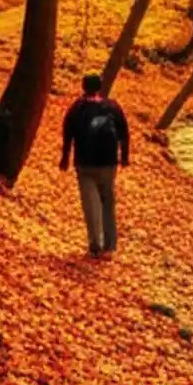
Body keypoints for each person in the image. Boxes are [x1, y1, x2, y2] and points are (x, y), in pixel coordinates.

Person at [60, 74, 130, 257]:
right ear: (100, 87)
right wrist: (124, 156)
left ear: (83, 87)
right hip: (108, 161)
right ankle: (109, 246)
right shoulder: (113, 107)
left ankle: (95, 244)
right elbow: (124, 132)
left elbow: (68, 133)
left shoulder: (77, 108)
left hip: (85, 162)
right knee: (107, 201)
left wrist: (65, 157)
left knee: (90, 203)